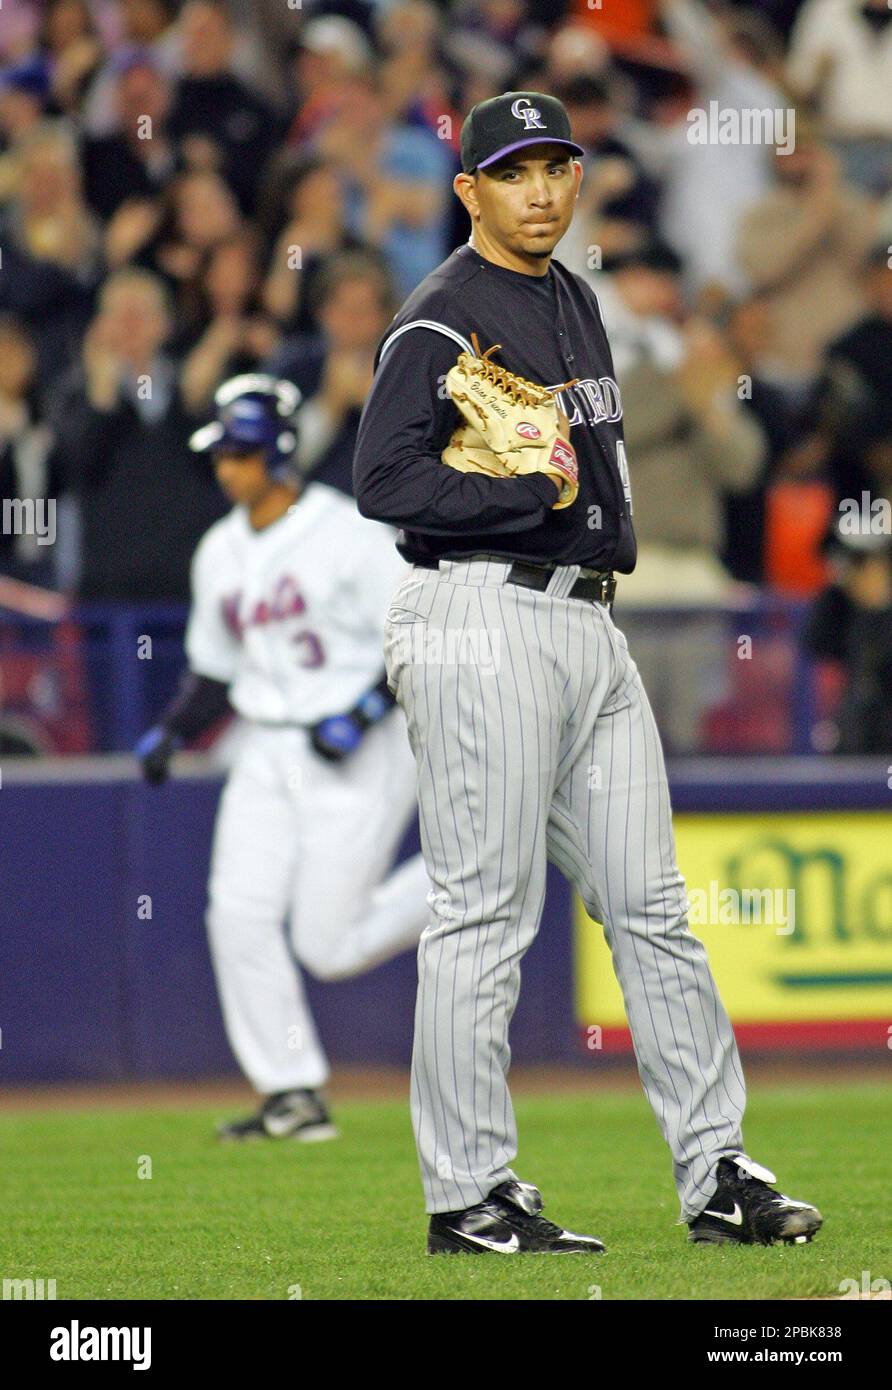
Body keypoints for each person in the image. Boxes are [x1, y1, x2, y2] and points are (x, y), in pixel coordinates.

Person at [353, 90, 823, 1253]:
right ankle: (467, 1193)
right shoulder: (441, 313)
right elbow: (381, 477)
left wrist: (569, 516)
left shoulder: (574, 298)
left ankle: (715, 1172)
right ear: (469, 192)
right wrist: (519, 496)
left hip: (584, 621)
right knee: (483, 911)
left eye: (557, 166)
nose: (543, 189)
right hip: (480, 612)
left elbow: (591, 475)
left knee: (654, 909)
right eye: (514, 172)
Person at [137, 374, 432, 1140]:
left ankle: (476, 877)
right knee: (236, 913)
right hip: (267, 744)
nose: (226, 468)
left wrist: (364, 710)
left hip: (360, 744)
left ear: (278, 453)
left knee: (325, 946)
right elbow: (214, 670)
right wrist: (173, 729)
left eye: (240, 452)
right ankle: (291, 1093)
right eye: (222, 453)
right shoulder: (220, 549)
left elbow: (417, 636)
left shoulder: (349, 534)